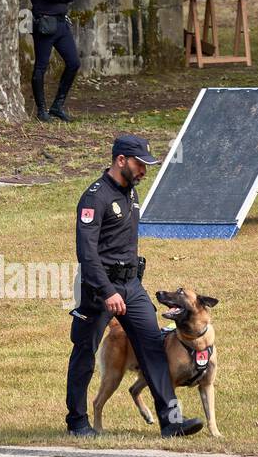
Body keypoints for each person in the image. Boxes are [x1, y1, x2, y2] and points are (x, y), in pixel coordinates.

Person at [66, 135, 204, 438]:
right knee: (85, 352)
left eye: (146, 165)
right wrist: (107, 291)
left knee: (154, 347)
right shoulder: (95, 197)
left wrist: (127, 285)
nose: (144, 170)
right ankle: (77, 422)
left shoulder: (131, 193)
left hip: (131, 285)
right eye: (139, 164)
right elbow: (86, 253)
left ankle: (172, 422)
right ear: (121, 161)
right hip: (98, 287)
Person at [26, 0, 80, 123]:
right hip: (45, 23)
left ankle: (57, 105)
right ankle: (41, 110)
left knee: (74, 63)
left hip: (61, 22)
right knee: (41, 66)